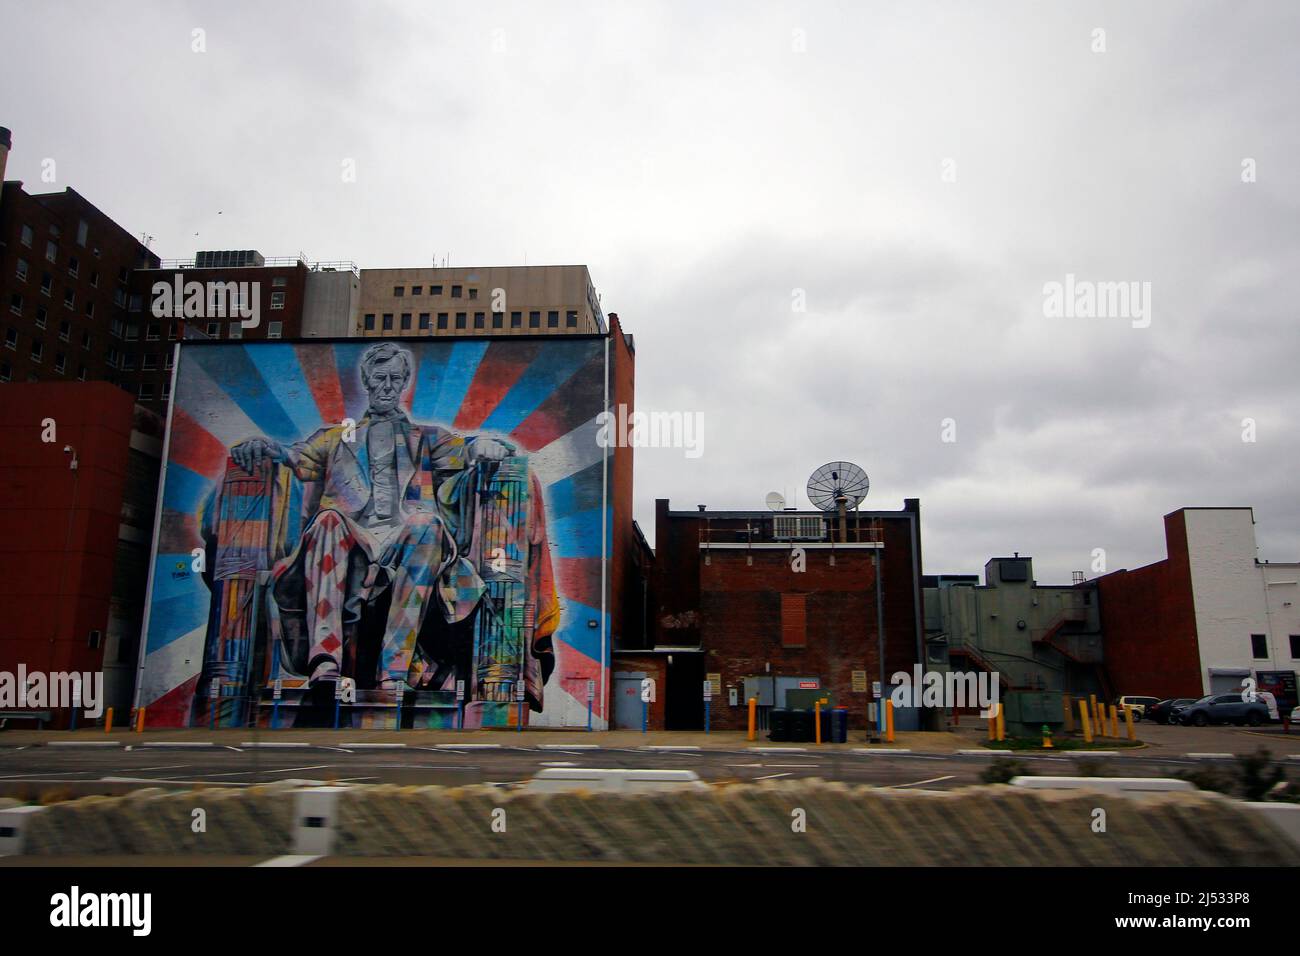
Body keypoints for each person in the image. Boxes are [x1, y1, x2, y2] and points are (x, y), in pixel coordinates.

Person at [229, 341, 515, 693]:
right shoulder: (335, 437)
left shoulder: (427, 438)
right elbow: (295, 457)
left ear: (405, 383)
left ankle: (394, 670)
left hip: (404, 539)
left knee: (427, 524)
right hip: (351, 539)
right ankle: (325, 664)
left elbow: (464, 450)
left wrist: (482, 445)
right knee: (327, 520)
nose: (387, 386)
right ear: (366, 381)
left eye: (395, 379)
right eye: (379, 378)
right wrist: (267, 447)